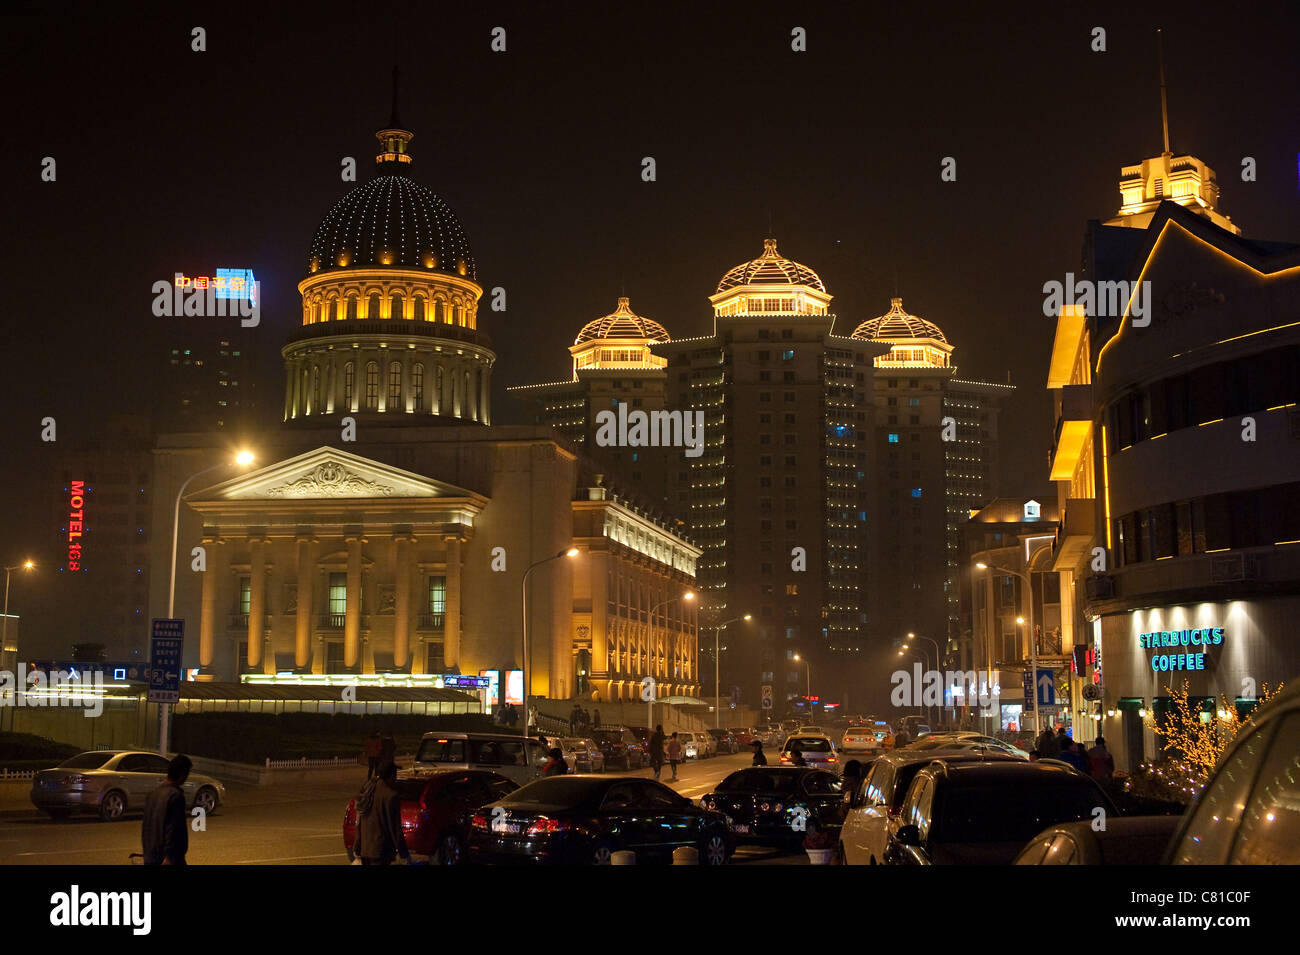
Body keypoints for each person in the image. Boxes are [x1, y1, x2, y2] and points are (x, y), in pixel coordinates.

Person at [354, 760, 411, 866]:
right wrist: (404, 853)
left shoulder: (368, 790)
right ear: (391, 776)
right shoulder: (391, 796)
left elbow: (360, 819)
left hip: (365, 849)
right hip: (381, 851)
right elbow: (395, 828)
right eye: (395, 775)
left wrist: (357, 844)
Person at [142, 755, 192, 866]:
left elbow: (146, 828)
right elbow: (173, 828)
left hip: (151, 856)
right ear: (183, 774)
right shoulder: (175, 796)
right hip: (168, 859)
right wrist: (170, 856)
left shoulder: (152, 795)